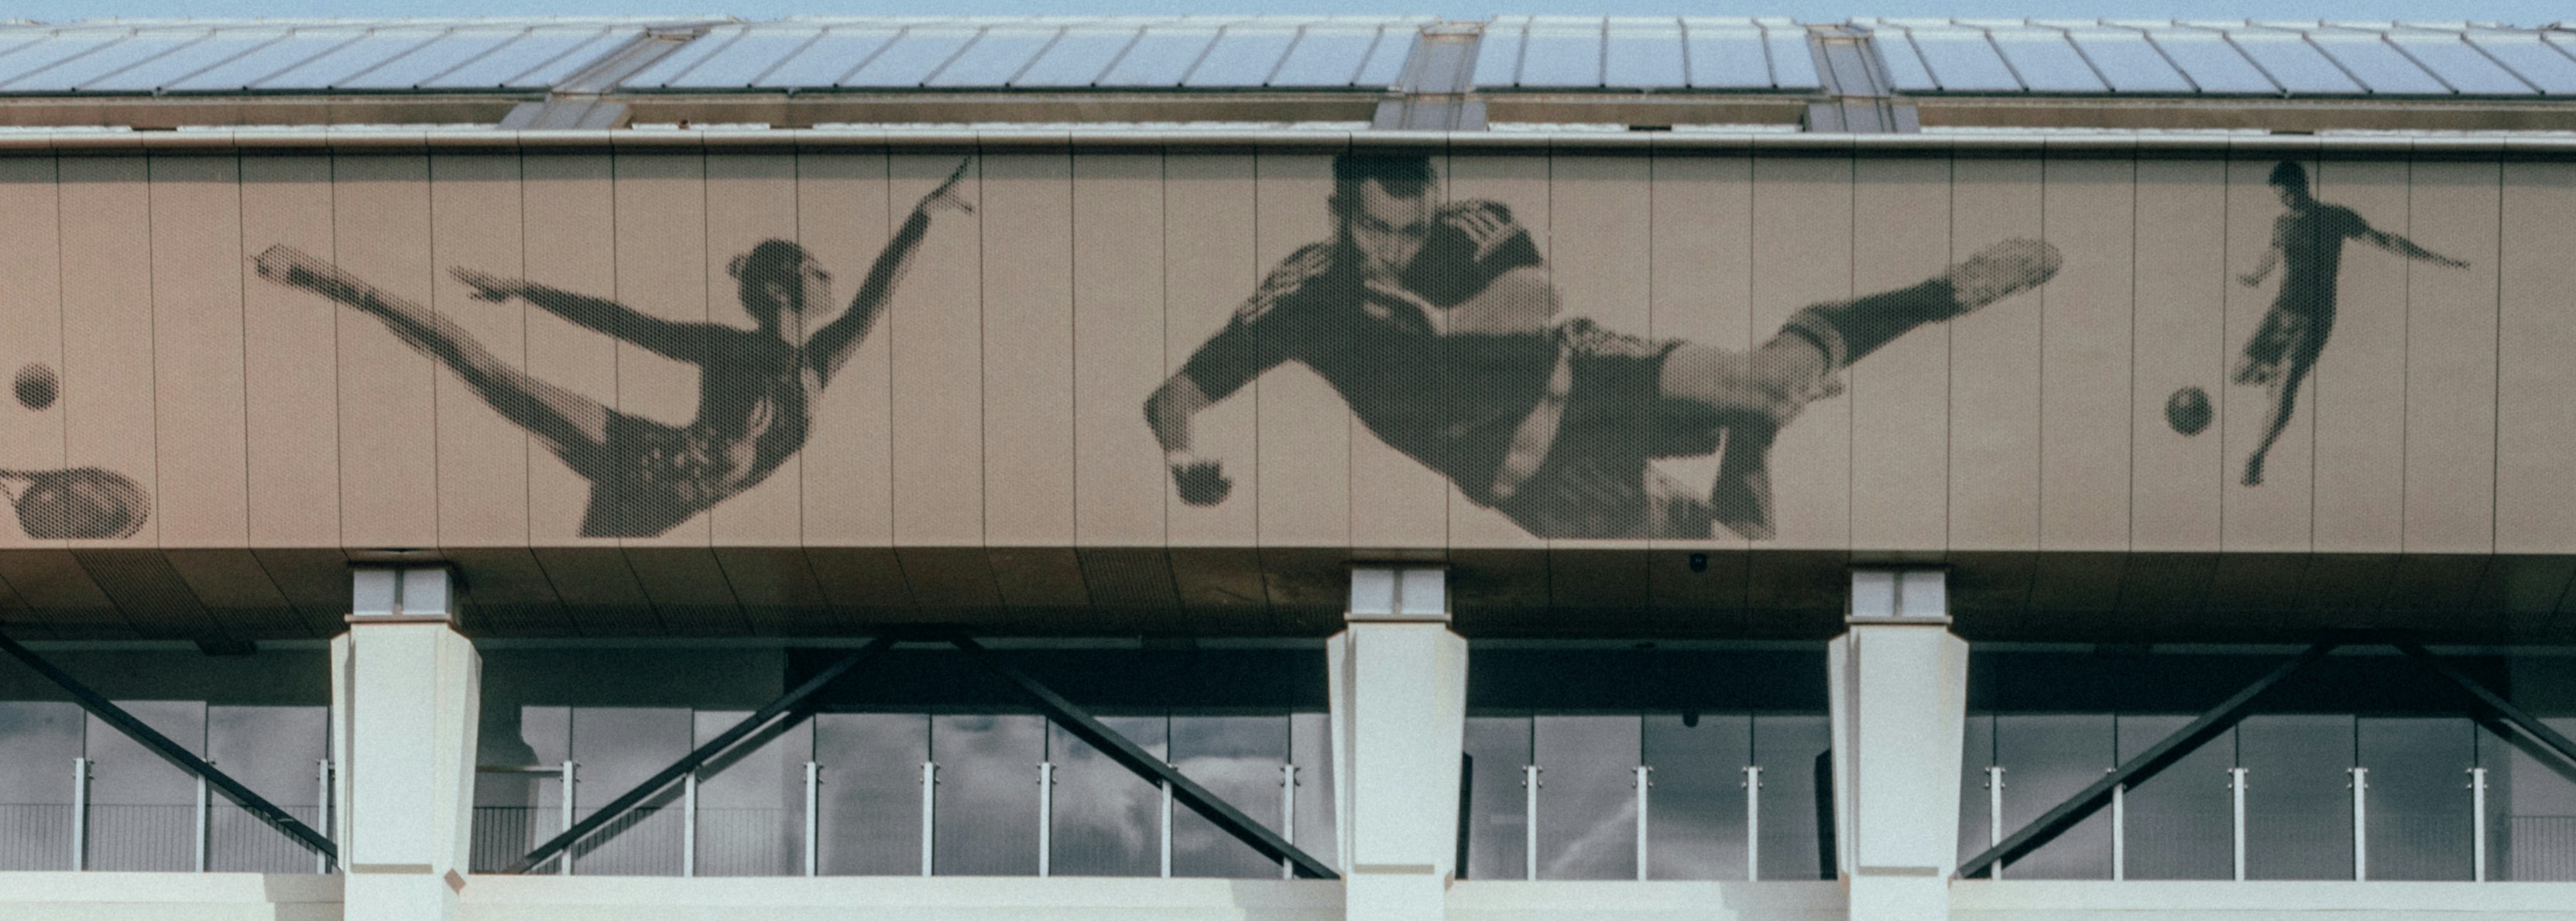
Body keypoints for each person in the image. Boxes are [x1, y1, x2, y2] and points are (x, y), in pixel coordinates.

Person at [1146, 149, 2059, 542]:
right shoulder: (1304, 293)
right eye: (1380, 235)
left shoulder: (1469, 227)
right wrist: (1186, 457)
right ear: (1340, 216)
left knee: (1769, 385)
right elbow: (1174, 393)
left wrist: (1447, 322)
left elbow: (1536, 296)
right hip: (1530, 476)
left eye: (1413, 230)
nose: (1399, 252)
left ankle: (1937, 295)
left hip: (1582, 378)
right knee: (1727, 567)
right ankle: (1754, 444)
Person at [253, 170, 960, 539]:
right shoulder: (728, 348)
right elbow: (620, 322)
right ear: (781, 286)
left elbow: (876, 293)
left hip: (663, 500)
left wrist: (924, 216)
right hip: (644, 458)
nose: (829, 277)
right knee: (487, 371)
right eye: (815, 268)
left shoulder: (818, 362)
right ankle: (337, 282)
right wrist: (524, 290)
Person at [2230, 160, 2464, 488]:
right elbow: (2274, 251)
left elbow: (2385, 240)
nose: (2286, 202)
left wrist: (2436, 258)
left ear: (2303, 186)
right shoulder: (2282, 224)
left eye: (2290, 195)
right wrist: (2256, 275)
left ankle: (2257, 455)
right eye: (2280, 197)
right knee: (2239, 375)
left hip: (2315, 316)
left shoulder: (2334, 217)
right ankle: (2274, 374)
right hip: (2281, 311)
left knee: (2286, 384)